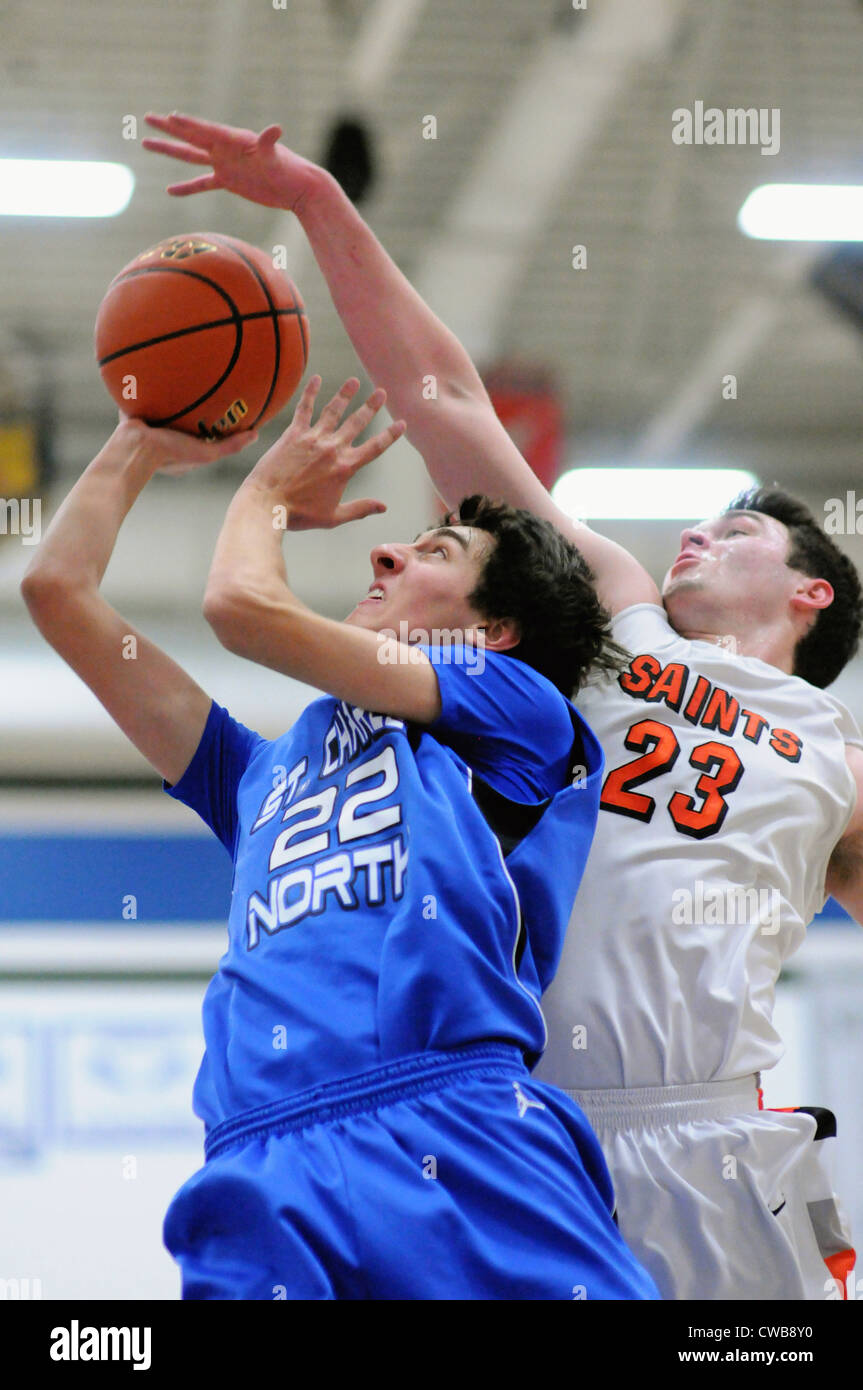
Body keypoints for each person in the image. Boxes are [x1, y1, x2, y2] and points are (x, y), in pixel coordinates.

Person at [141, 112, 863, 1300]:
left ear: (808, 591)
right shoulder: (608, 629)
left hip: (724, 1139)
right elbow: (446, 403)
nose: (693, 529)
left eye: (735, 529)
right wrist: (320, 204)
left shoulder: (840, 760)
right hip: (527, 1127)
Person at [21, 375, 656, 1300]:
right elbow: (56, 591)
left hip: (452, 1128)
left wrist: (267, 495)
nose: (388, 552)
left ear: (497, 631)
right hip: (259, 1161)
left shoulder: (514, 711)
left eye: (433, 550)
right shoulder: (254, 775)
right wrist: (140, 438)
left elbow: (240, 608)